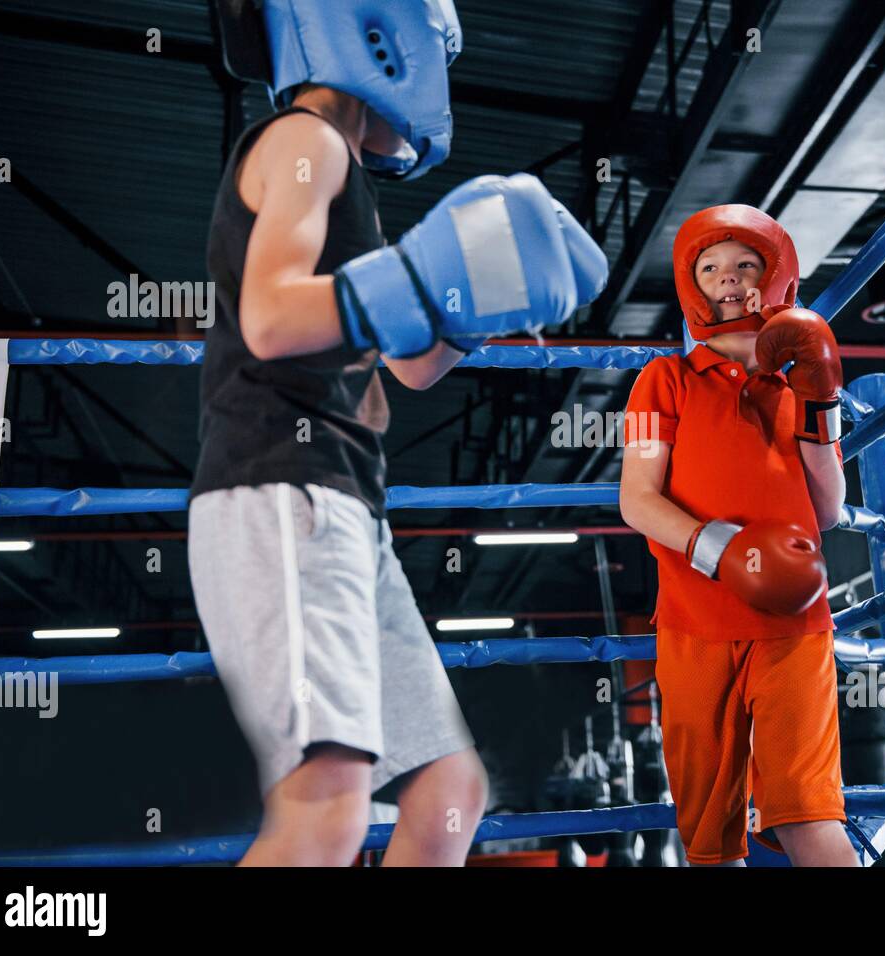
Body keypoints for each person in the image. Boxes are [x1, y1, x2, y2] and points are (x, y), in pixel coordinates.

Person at [189, 0, 607, 866]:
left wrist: (469, 303)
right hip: (279, 485)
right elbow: (268, 319)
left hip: (342, 498)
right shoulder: (303, 142)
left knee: (449, 793)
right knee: (327, 806)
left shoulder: (351, 178)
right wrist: (421, 275)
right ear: (374, 28)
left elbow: (407, 369)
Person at [619, 204, 857, 867]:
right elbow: (637, 499)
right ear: (693, 285)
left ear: (774, 278)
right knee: (711, 844)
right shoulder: (662, 380)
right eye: (712, 266)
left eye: (746, 264)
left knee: (811, 816)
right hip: (695, 625)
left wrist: (820, 397)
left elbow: (829, 507)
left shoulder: (798, 384)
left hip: (795, 626)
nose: (728, 277)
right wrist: (724, 551)